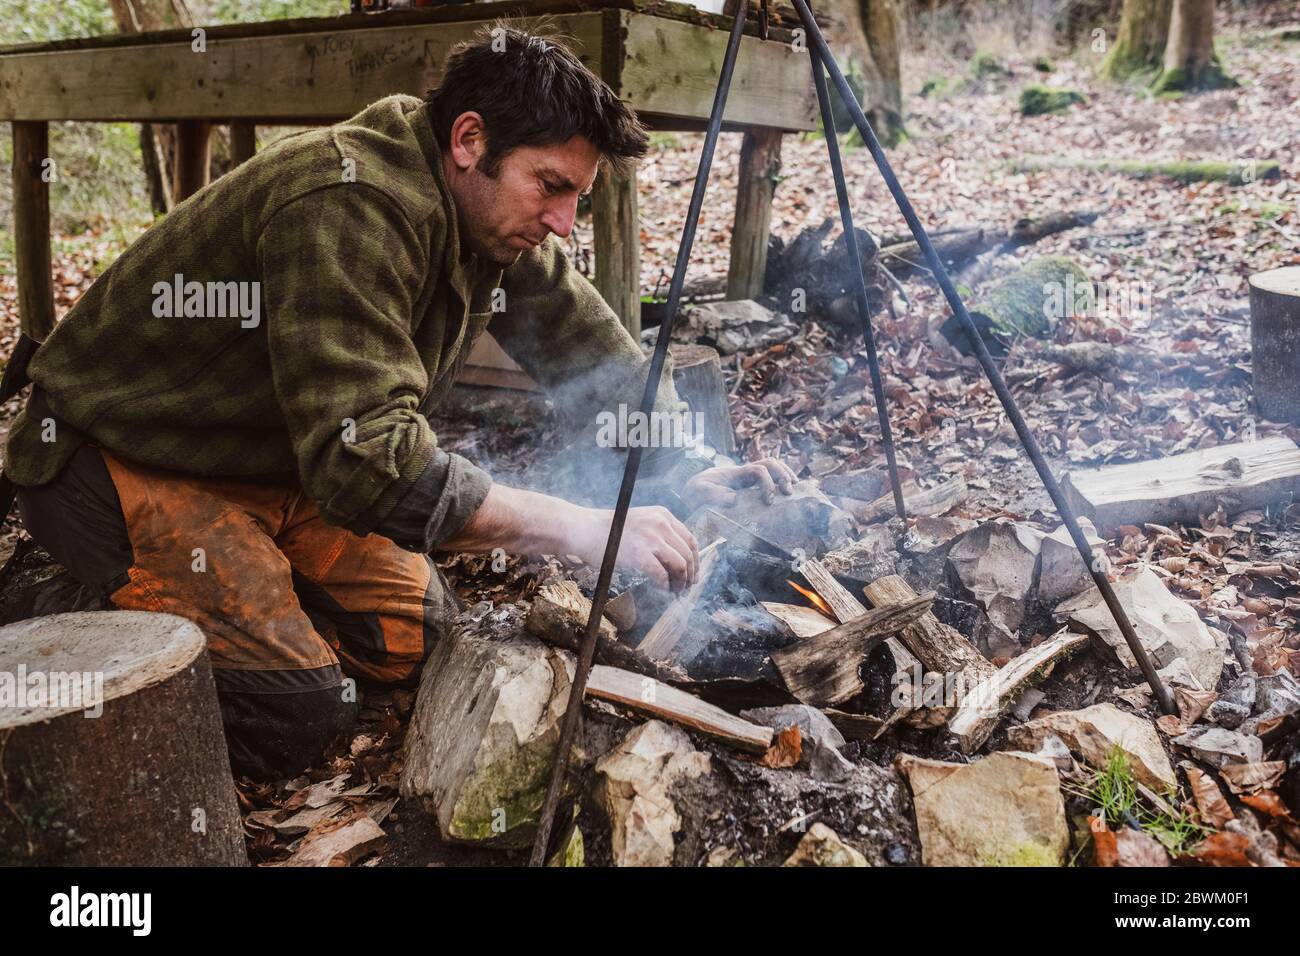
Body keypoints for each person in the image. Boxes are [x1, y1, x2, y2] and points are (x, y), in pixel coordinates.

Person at [4, 25, 795, 780]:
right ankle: (57, 605)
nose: (562, 222)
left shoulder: (486, 215)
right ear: (470, 140)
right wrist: (582, 526)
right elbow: (370, 463)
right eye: (552, 187)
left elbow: (595, 356)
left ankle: (249, 587)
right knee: (295, 713)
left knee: (415, 640)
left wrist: (686, 470)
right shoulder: (347, 204)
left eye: (577, 198)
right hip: (118, 455)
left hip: (277, 462)